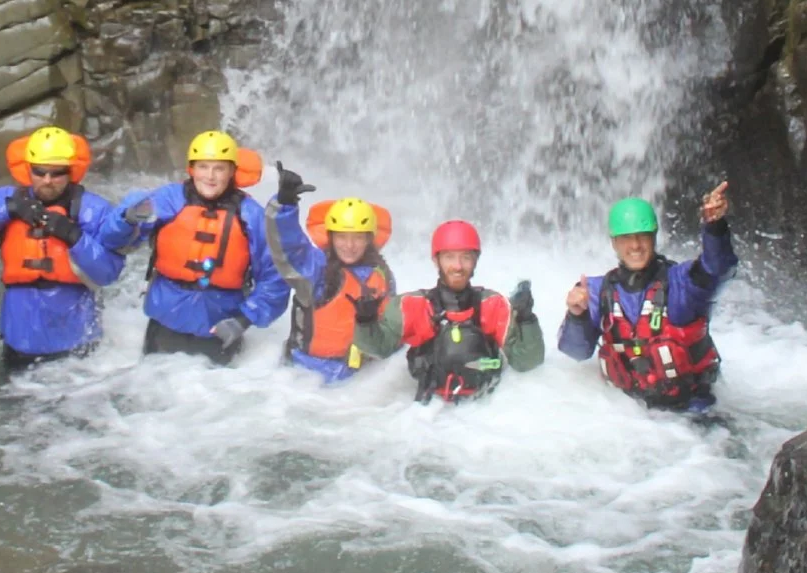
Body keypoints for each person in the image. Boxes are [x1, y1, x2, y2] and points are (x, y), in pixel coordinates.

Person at [99, 130, 289, 364]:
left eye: (219, 168)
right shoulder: (167, 199)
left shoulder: (251, 215)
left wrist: (244, 320)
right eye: (203, 167)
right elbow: (111, 240)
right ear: (191, 169)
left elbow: (276, 278)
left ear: (232, 172)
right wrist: (126, 219)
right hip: (165, 319)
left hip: (221, 326)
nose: (210, 176)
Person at [0, 126, 126, 368]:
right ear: (28, 169)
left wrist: (73, 236)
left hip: (75, 334)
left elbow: (108, 273)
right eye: (39, 172)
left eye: (57, 173)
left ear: (71, 172)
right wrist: (10, 209)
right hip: (21, 332)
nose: (47, 181)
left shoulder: (94, 209)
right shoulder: (8, 198)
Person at [559, 183, 736, 414]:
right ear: (614, 243)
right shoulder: (594, 291)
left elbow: (718, 268)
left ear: (654, 238)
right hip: (630, 418)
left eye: (643, 236)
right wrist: (576, 315)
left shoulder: (681, 285)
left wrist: (714, 228)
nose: (635, 245)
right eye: (626, 238)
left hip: (692, 413)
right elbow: (576, 352)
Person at [401, 219, 544, 404]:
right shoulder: (416, 305)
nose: (458, 266)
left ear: (475, 261)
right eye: (449, 257)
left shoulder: (492, 304)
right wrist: (366, 320)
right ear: (436, 261)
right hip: (428, 410)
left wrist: (526, 318)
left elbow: (527, 362)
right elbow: (379, 347)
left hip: (483, 410)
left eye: (466, 257)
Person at [270, 188, 403, 382]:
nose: (349, 246)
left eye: (358, 237)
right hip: (303, 374)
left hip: (356, 379)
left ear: (369, 239)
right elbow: (288, 249)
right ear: (330, 237)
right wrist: (284, 206)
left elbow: (389, 332)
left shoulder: (382, 274)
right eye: (342, 237)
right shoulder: (316, 268)